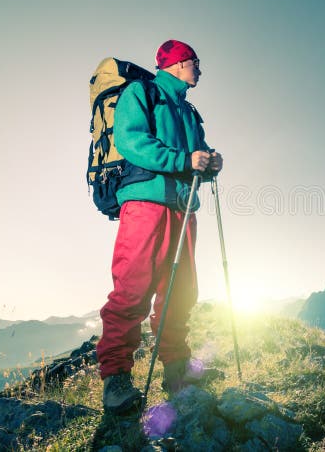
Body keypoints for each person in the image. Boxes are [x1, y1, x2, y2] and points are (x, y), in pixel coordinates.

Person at [96, 39, 224, 413]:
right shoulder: (142, 92)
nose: (199, 69)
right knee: (132, 289)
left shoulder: (189, 111)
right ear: (178, 63)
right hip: (146, 203)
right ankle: (116, 380)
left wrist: (209, 164)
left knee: (181, 290)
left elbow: (194, 159)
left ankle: (177, 367)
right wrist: (184, 159)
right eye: (195, 62)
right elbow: (131, 141)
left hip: (183, 206)